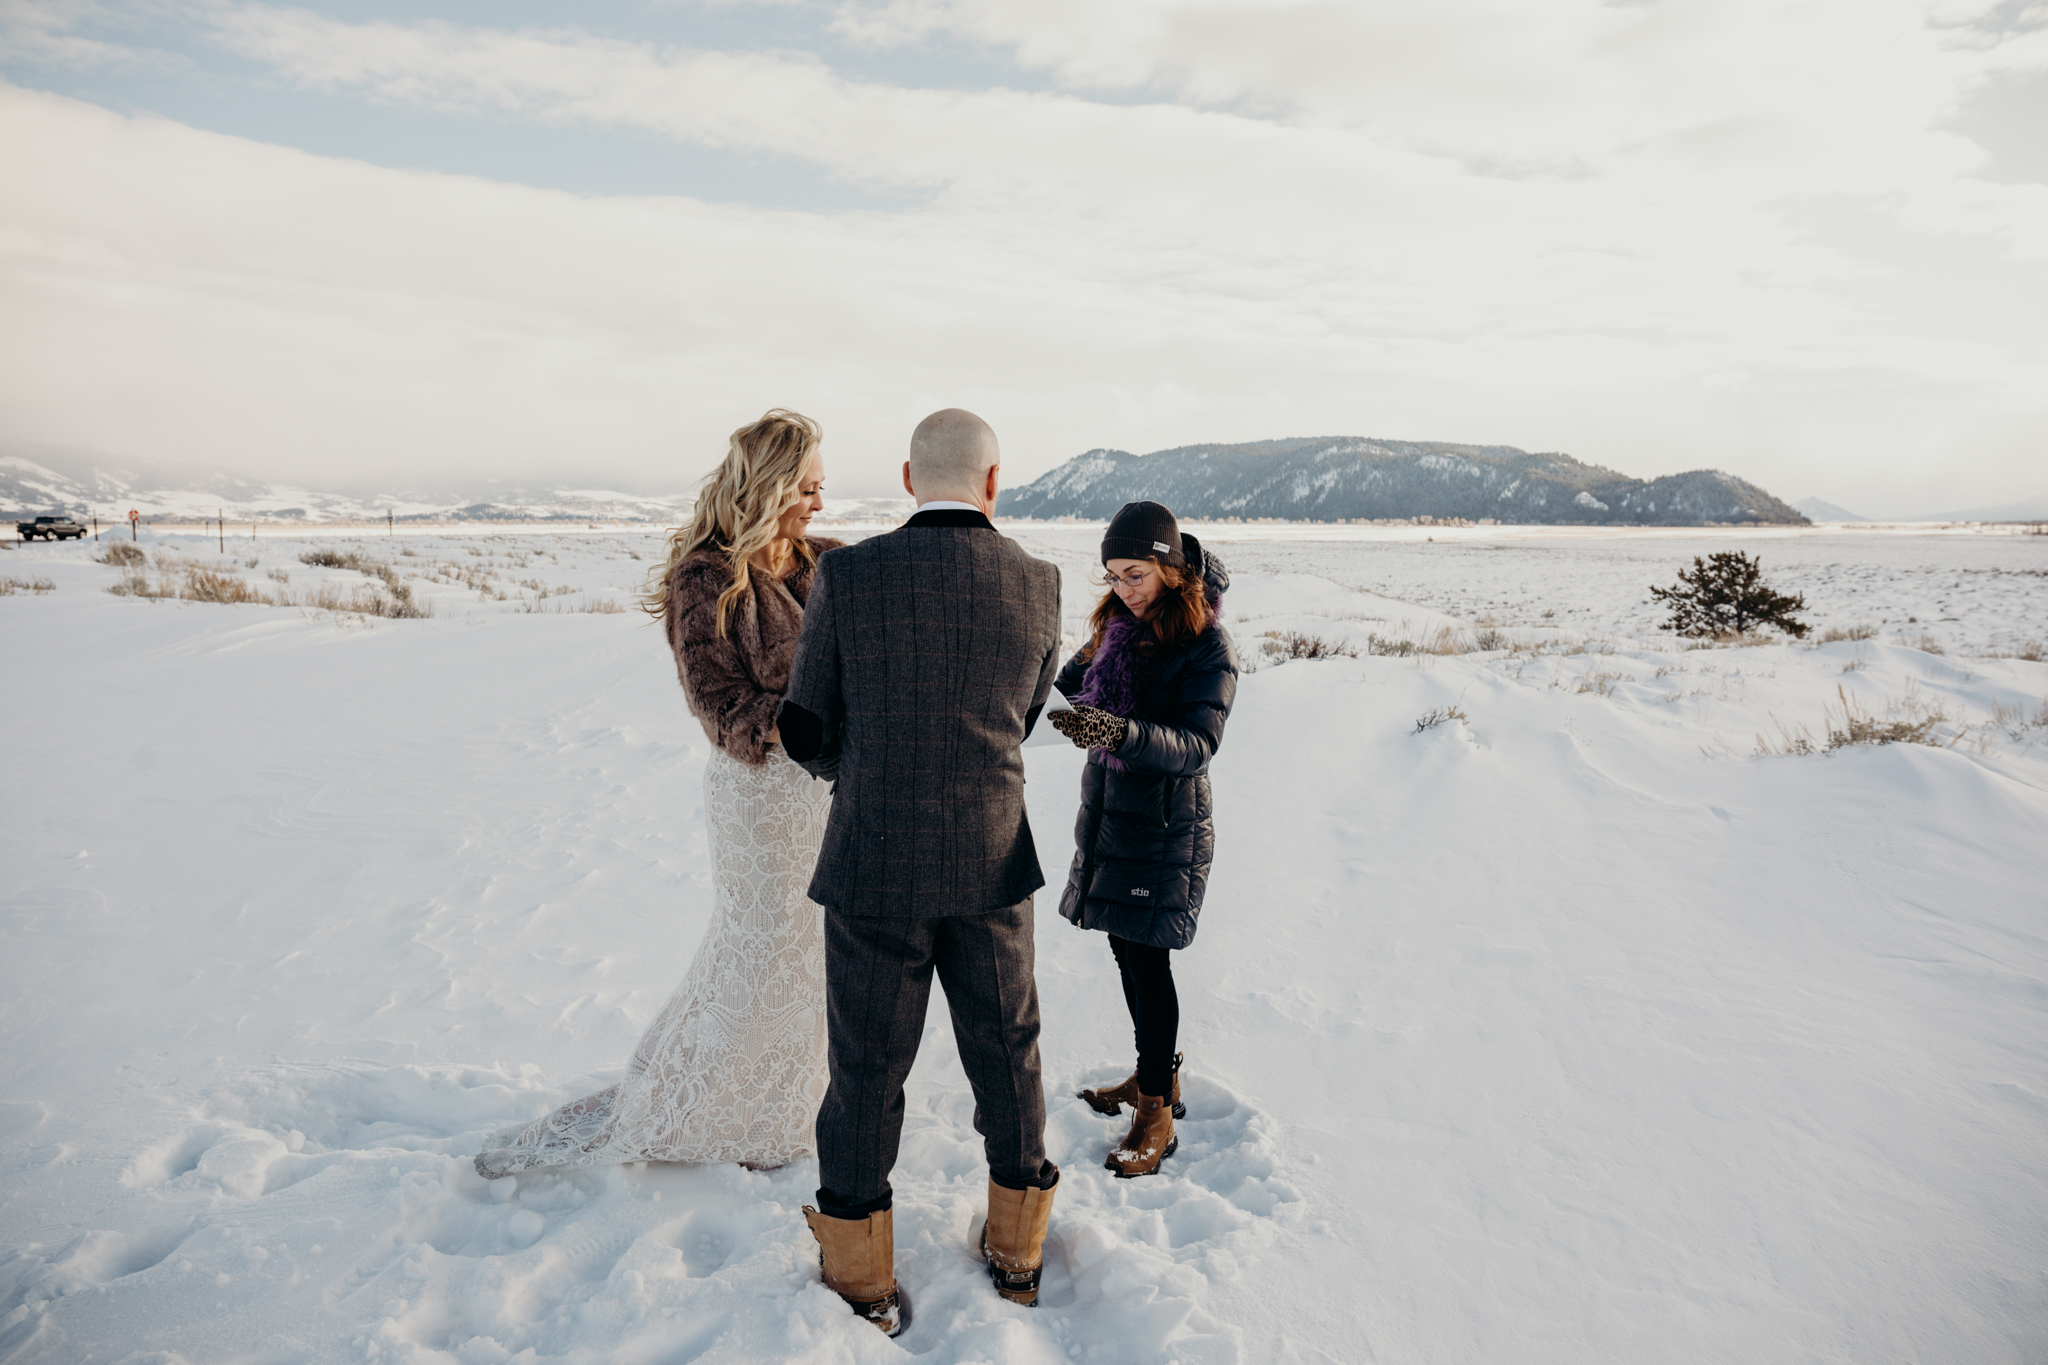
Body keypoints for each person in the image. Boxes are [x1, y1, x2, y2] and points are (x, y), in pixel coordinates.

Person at [472, 409, 840, 1179]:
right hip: (761, 797)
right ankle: (690, 1104)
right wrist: (795, 725)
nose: (819, 501)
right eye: (807, 487)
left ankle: (782, 1107)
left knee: (811, 957)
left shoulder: (828, 564)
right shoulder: (704, 577)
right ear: (768, 486)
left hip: (825, 798)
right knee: (759, 952)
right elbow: (716, 701)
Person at [775, 408, 1064, 1335]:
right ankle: (1018, 1249)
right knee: (1006, 1050)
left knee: (866, 1066)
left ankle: (860, 1272)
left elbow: (807, 724)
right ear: (992, 482)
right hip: (990, 857)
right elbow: (1023, 716)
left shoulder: (848, 574)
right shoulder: (1040, 583)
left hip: (873, 861)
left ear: (907, 477)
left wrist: (858, 772)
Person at [1046, 500, 1238, 1179]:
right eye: (1113, 576)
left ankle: (1156, 1107)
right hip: (1112, 820)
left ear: (1169, 565)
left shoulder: (1206, 643)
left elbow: (1197, 743)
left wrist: (1117, 734)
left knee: (1148, 961)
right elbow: (1067, 689)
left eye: (1135, 573)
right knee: (1127, 949)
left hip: (1163, 828)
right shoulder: (1116, 629)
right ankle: (1153, 1076)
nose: (1124, 588)